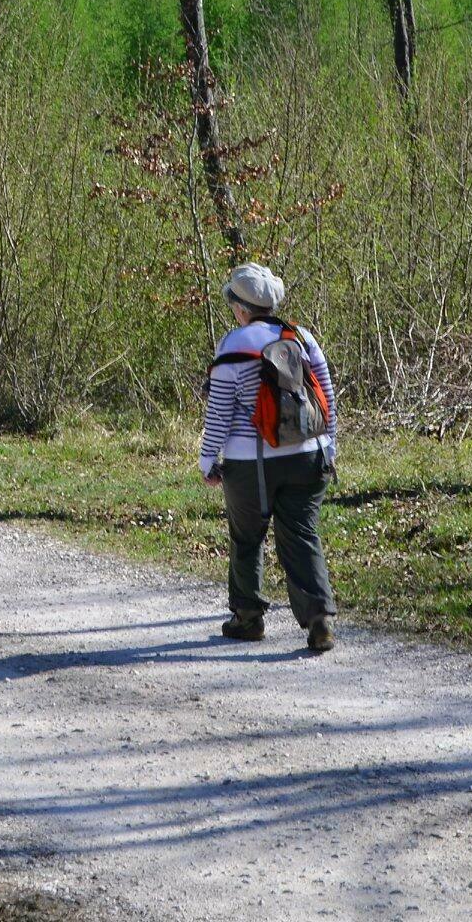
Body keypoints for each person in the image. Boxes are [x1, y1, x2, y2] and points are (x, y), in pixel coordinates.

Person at [199, 262, 340, 653]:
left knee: (247, 538)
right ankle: (320, 622)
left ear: (241, 307)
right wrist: (329, 446)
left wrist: (208, 459)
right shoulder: (301, 337)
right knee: (302, 535)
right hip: (309, 455)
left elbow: (220, 413)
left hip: (251, 464)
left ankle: (248, 618)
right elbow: (325, 395)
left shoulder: (233, 345)